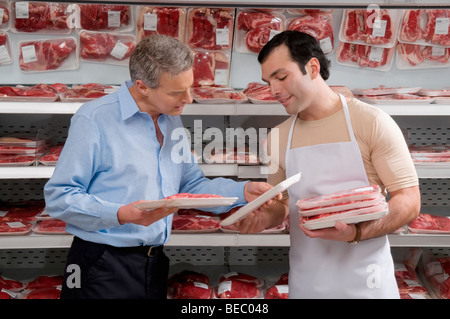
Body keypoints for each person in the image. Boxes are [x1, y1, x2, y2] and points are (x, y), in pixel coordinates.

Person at [43, 34, 280, 299]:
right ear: (143, 86)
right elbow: (60, 197)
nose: (188, 99)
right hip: (101, 262)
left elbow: (193, 185)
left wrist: (243, 191)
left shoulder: (170, 121)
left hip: (153, 263)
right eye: (177, 92)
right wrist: (122, 213)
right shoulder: (95, 118)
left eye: (190, 87)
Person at [236, 31, 421, 298]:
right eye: (268, 82)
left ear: (313, 68)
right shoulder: (277, 138)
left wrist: (357, 232)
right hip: (308, 283)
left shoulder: (371, 122)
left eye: (281, 77)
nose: (273, 90)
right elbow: (282, 203)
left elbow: (409, 200)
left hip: (367, 284)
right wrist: (262, 217)